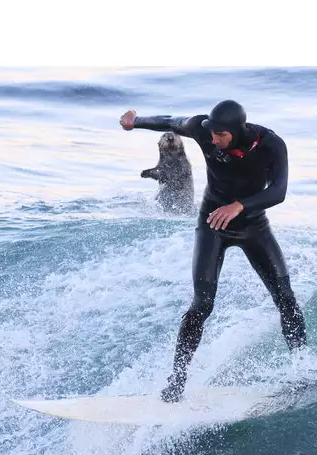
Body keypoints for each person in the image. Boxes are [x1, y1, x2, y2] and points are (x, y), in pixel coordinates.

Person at [119, 100, 307, 402]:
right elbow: (170, 121)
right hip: (212, 224)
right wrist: (136, 121)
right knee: (202, 303)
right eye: (212, 134)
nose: (214, 140)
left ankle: (303, 370)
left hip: (253, 227)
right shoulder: (202, 128)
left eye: (221, 135)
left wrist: (241, 206)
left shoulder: (271, 144)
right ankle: (176, 382)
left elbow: (279, 191)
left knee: (285, 297)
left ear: (236, 130)